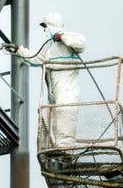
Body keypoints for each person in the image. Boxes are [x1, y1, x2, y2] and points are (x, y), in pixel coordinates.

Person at [6, 12, 86, 147]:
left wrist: (62, 37)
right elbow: (34, 58)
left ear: (53, 26)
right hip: (55, 89)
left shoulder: (67, 41)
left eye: (46, 26)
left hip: (67, 85)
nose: (45, 30)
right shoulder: (49, 47)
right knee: (57, 118)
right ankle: (61, 147)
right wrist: (18, 50)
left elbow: (81, 43)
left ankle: (66, 148)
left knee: (66, 112)